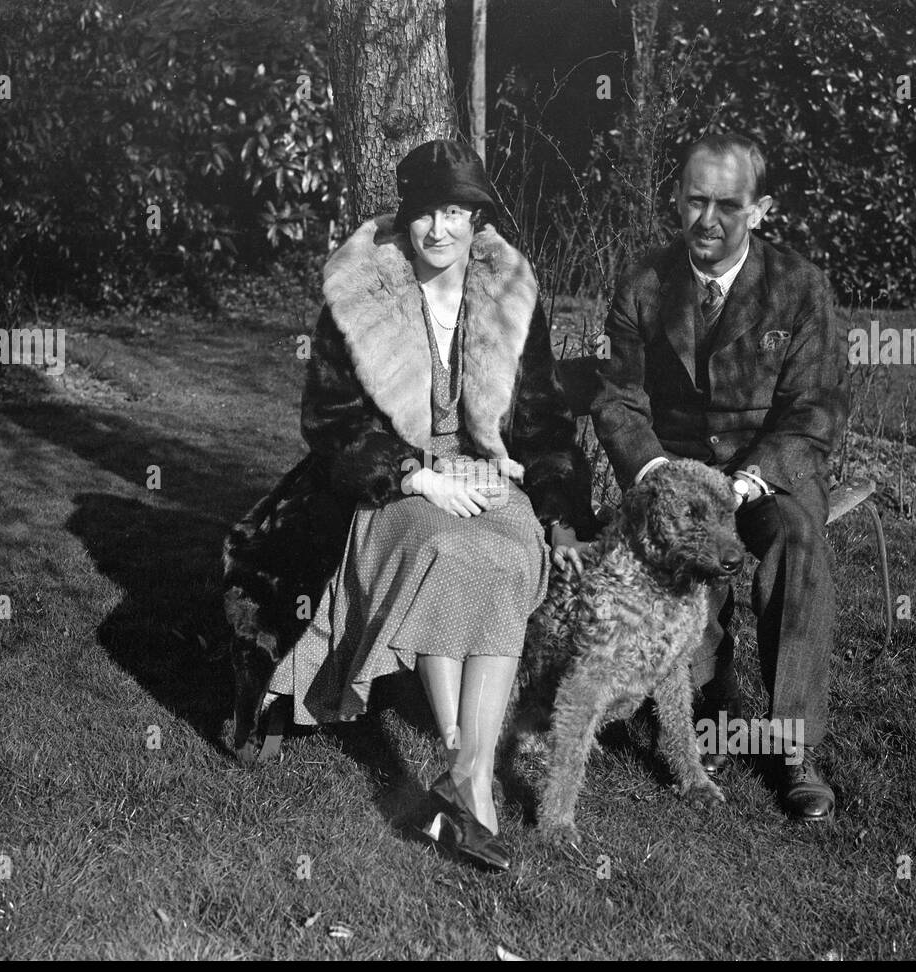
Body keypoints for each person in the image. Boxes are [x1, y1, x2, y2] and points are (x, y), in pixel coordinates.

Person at [263, 139, 591, 870]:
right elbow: (332, 422)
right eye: (423, 215)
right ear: (403, 218)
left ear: (478, 220)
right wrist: (415, 476)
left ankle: (464, 771)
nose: (438, 231)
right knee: (447, 549)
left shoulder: (510, 291)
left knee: (509, 553)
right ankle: (466, 773)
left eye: (455, 213)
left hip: (482, 469)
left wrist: (556, 505)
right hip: (392, 483)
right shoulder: (359, 292)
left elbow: (541, 418)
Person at [592, 132, 848, 822]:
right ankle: (708, 714)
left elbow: (814, 409)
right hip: (675, 475)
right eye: (694, 201)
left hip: (767, 476)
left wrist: (748, 482)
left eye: (727, 206)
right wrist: (659, 478)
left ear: (760, 209)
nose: (707, 221)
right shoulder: (646, 284)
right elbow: (617, 398)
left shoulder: (799, 288)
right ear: (676, 198)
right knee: (677, 549)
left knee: (795, 540)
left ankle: (795, 748)